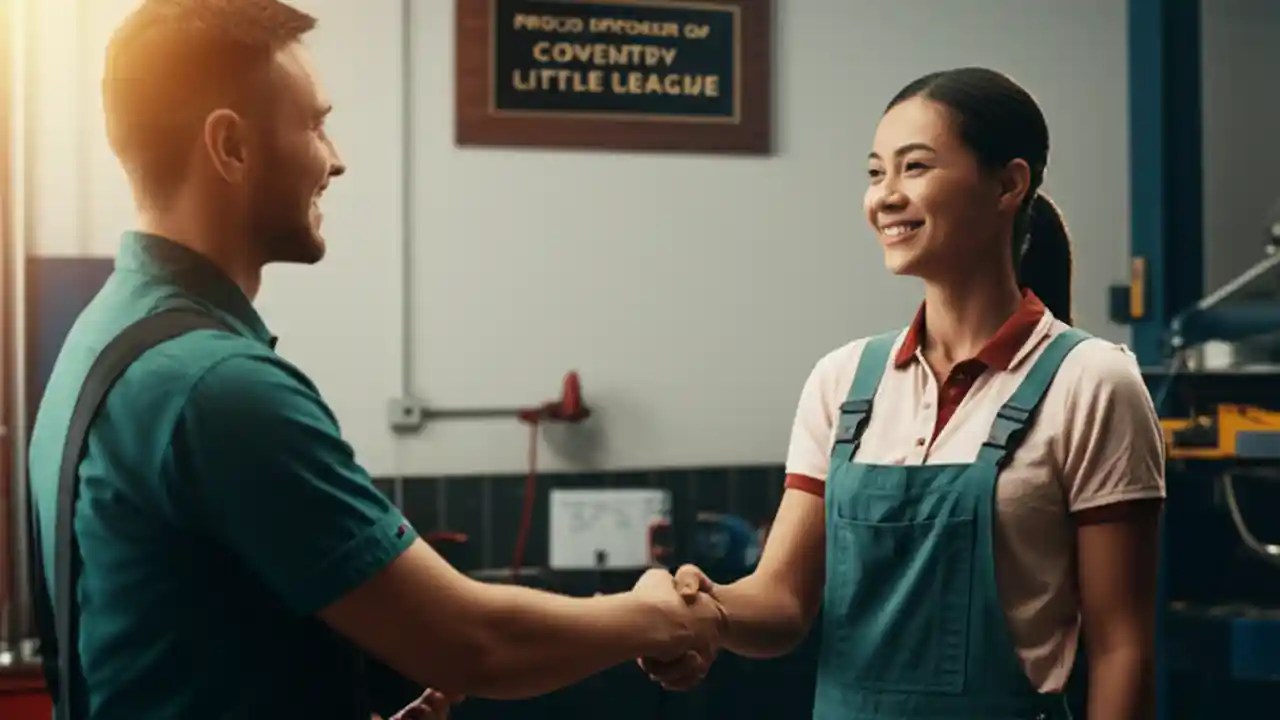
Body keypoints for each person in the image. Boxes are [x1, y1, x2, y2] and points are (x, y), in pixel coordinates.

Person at [25, 1, 722, 718]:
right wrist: (660, 615)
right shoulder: (215, 388)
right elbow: (474, 642)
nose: (336, 159)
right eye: (315, 124)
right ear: (230, 146)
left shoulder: (100, 343)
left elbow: (173, 644)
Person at [639, 67, 1166, 719]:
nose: (885, 197)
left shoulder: (1092, 382)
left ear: (1008, 183)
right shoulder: (843, 381)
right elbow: (781, 605)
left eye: (914, 168)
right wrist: (706, 608)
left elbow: (1123, 649)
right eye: (874, 173)